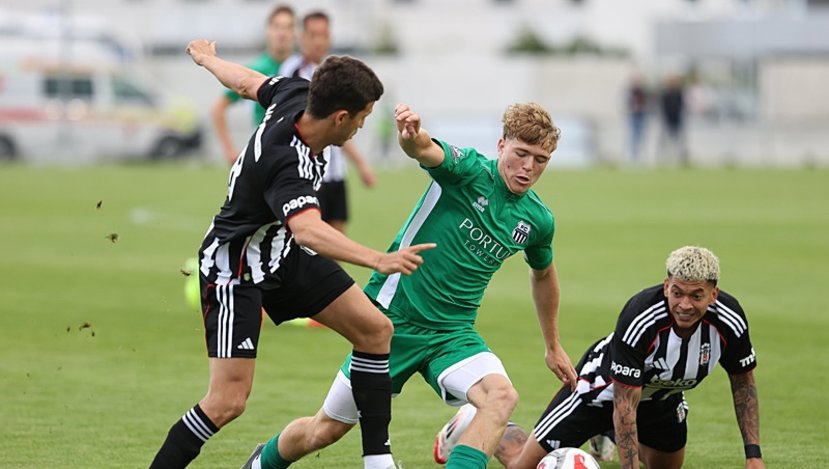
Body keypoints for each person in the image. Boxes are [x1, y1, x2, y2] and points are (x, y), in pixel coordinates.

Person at [240, 101, 578, 469]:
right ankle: (262, 463)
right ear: (501, 146)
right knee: (325, 430)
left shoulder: (538, 219)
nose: (528, 167)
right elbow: (425, 150)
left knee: (500, 397)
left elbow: (543, 274)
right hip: (388, 321)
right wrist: (411, 136)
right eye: (521, 154)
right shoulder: (467, 170)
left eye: (540, 160)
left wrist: (553, 345)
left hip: (453, 333)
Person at [148, 39, 436, 469]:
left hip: (280, 256)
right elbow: (307, 230)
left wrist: (208, 59)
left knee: (376, 330)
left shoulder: (297, 92)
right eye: (361, 119)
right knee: (227, 402)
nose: (360, 128)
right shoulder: (289, 163)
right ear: (340, 116)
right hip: (236, 269)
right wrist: (378, 259)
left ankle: (378, 461)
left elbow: (247, 82)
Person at [440, 246, 765, 469]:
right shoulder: (642, 317)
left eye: (697, 296)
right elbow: (623, 404)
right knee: (521, 465)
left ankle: (605, 437)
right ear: (666, 286)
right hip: (596, 393)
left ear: (714, 293)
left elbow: (743, 384)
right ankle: (474, 421)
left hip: (661, 401)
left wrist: (753, 456)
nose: (685, 304)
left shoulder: (729, 321)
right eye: (677, 292)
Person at [279, 10, 376, 234]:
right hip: (308, 170)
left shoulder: (331, 72)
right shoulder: (293, 71)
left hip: (335, 171)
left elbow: (339, 124)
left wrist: (361, 164)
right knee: (310, 242)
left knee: (337, 237)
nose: (318, 41)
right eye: (313, 34)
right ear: (302, 37)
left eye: (323, 34)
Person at [211, 4, 296, 165]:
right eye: (277, 26)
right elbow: (218, 108)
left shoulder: (302, 68)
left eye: (288, 27)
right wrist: (229, 149)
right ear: (268, 31)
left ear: (295, 33)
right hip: (264, 153)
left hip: (298, 154)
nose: (282, 33)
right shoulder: (256, 70)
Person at [658, 74, 688, 166]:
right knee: (666, 141)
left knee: (678, 140)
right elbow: (663, 107)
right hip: (667, 120)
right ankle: (666, 159)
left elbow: (682, 105)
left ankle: (678, 159)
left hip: (677, 120)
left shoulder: (679, 93)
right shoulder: (666, 94)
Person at [626, 72, 648, 164]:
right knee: (632, 138)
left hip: (641, 116)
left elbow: (647, 104)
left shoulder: (644, 92)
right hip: (633, 116)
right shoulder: (630, 92)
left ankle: (640, 158)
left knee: (642, 138)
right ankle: (631, 158)